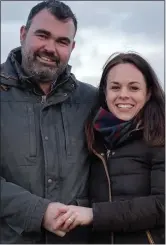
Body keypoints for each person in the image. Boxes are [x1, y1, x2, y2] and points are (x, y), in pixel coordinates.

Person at [0, 0, 97, 243]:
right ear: (23, 34)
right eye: (42, 35)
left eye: (62, 41)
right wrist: (38, 212)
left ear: (72, 47)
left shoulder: (93, 100)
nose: (50, 48)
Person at [53, 52, 165, 244]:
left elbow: (162, 206)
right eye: (115, 87)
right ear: (104, 92)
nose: (123, 95)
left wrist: (94, 215)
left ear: (147, 94)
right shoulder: (94, 139)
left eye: (134, 87)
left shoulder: (159, 138)